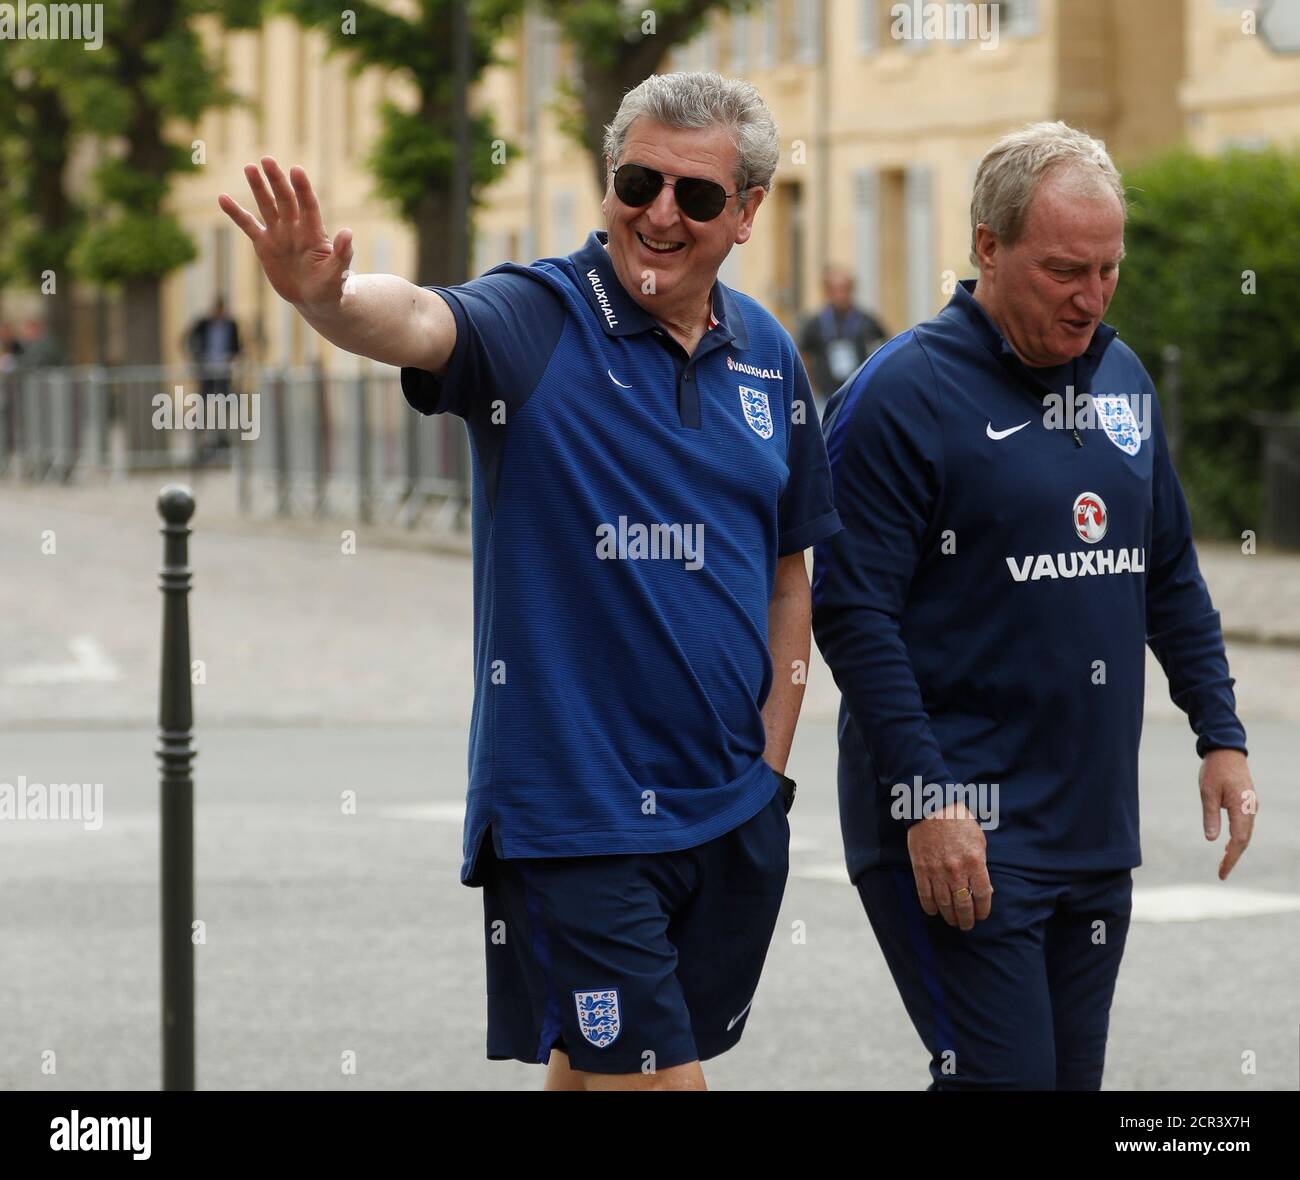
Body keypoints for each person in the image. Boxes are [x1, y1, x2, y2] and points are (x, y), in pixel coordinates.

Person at [218, 71, 840, 1091]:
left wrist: (767, 770)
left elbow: (787, 576)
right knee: (655, 1080)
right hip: (575, 818)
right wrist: (325, 297)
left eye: (693, 195)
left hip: (727, 806)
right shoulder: (538, 320)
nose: (658, 213)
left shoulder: (769, 356)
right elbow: (419, 320)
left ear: (747, 213)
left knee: (587, 1067)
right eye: (638, 181)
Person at [812, 121, 1257, 1091]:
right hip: (950, 820)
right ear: (985, 247)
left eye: (1107, 269)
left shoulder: (1122, 378)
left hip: (1090, 828)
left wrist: (1218, 734)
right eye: (1063, 268)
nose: (1090, 297)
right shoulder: (900, 395)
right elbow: (850, 612)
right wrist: (929, 798)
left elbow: (1168, 570)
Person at [798, 266, 887, 406]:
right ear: (827, 292)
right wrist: (811, 388)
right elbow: (803, 355)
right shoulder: (815, 323)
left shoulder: (865, 320)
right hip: (825, 396)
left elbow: (885, 347)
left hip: (858, 392)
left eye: (845, 289)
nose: (841, 295)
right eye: (836, 290)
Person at [185, 296, 242, 459]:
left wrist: (232, 358)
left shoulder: (231, 325)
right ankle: (200, 439)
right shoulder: (203, 324)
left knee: (224, 404)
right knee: (202, 405)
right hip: (207, 371)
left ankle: (222, 438)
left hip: (224, 371)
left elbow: (237, 346)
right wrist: (197, 356)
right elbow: (189, 340)